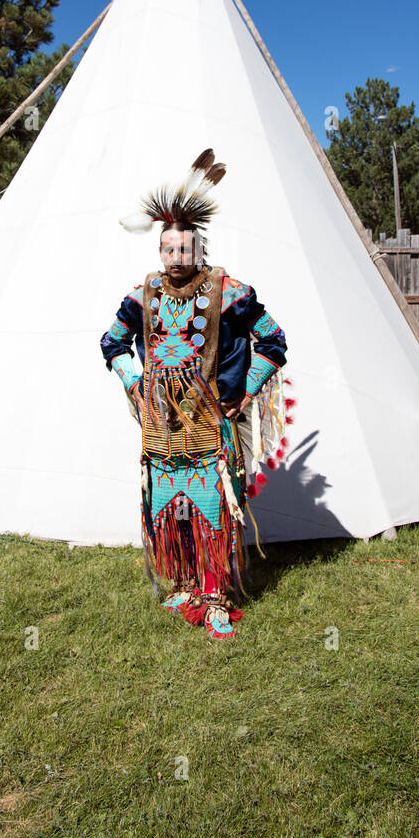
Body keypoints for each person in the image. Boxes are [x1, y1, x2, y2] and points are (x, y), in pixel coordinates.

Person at [100, 148, 290, 640]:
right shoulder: (142, 296)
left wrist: (245, 393)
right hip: (162, 429)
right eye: (169, 250)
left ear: (198, 249)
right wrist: (135, 383)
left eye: (186, 250)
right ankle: (185, 584)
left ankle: (216, 594)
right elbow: (112, 342)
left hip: (212, 425)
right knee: (172, 508)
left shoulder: (228, 291)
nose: (178, 259)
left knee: (214, 509)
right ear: (159, 251)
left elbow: (272, 340)